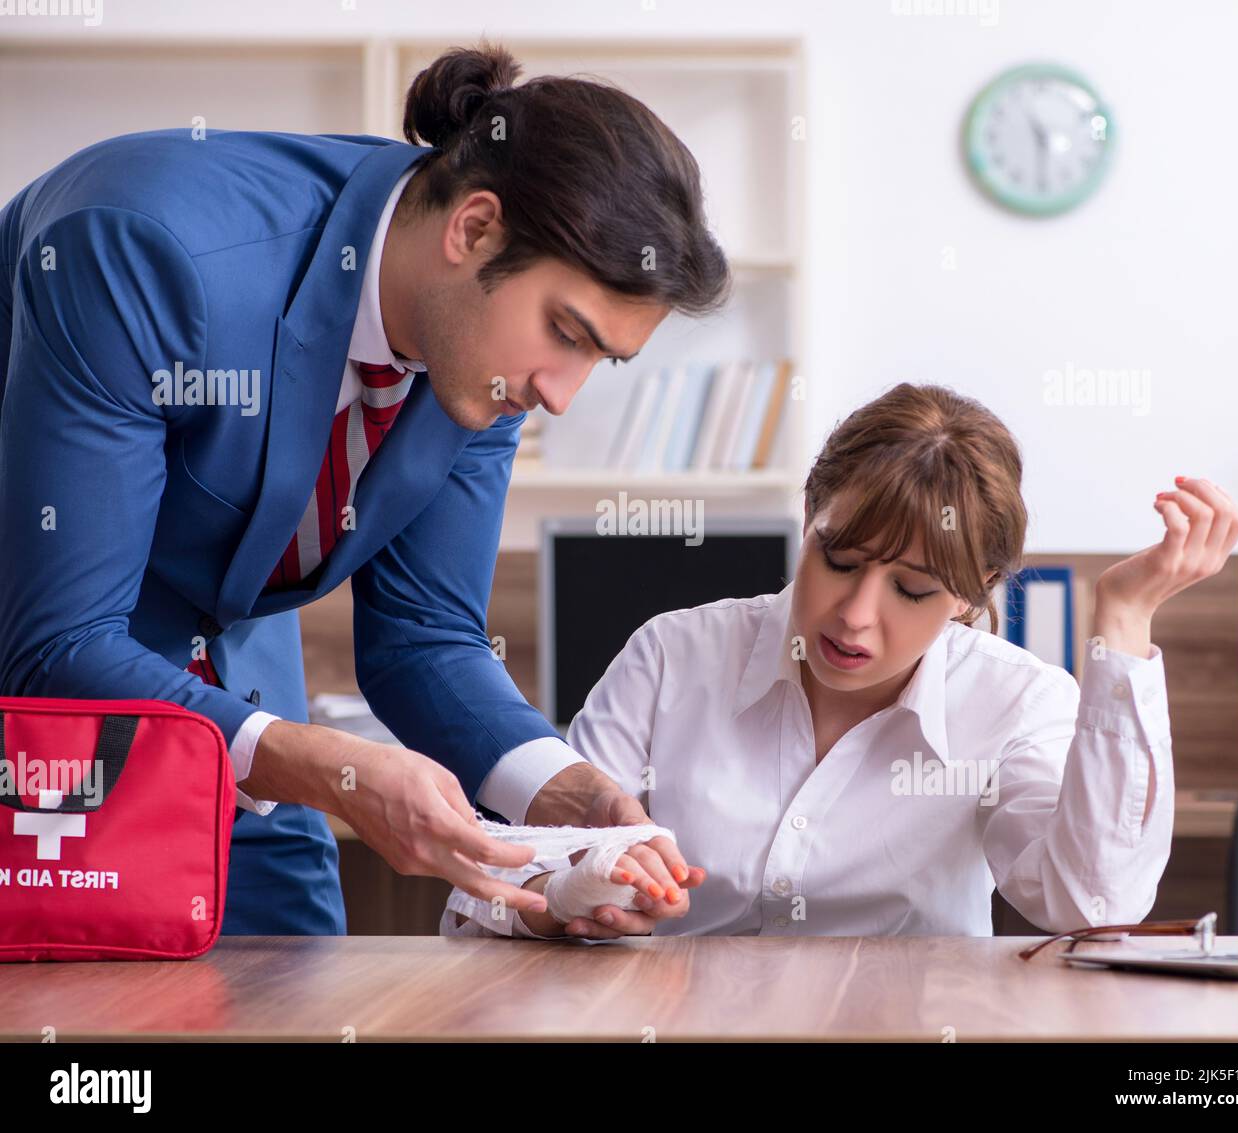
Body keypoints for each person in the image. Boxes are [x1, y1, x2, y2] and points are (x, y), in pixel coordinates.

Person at [0, 41, 722, 934]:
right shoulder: (145, 251)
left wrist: (562, 791)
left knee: (299, 969)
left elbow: (423, 636)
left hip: (237, 673)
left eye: (600, 360)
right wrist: (326, 765)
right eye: (565, 332)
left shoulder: (480, 358)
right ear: (474, 228)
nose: (560, 395)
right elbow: (60, 642)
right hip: (44, 686)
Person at [444, 382, 1238, 939]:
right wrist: (566, 904)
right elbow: (501, 884)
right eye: (839, 558)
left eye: (913, 589)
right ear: (807, 519)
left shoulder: (1015, 701)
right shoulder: (674, 655)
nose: (857, 616)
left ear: (972, 595)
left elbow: (1092, 901)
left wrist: (1126, 619)